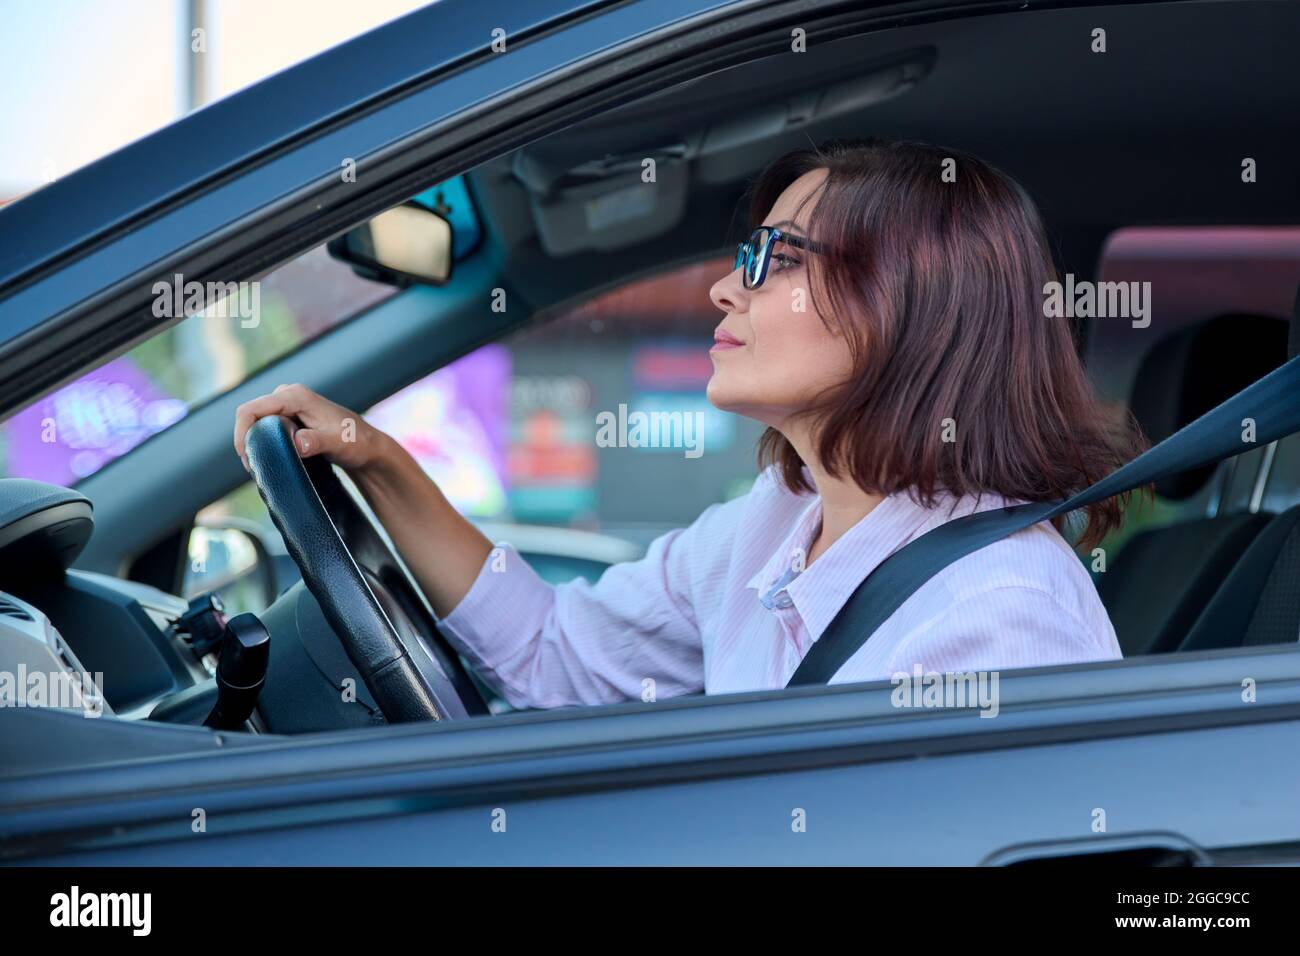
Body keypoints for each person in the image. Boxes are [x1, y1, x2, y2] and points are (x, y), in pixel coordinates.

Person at [233, 138, 1144, 710]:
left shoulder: (1000, 616)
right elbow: (556, 658)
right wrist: (378, 462)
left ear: (912, 303)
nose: (723, 285)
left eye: (773, 258)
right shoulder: (775, 522)